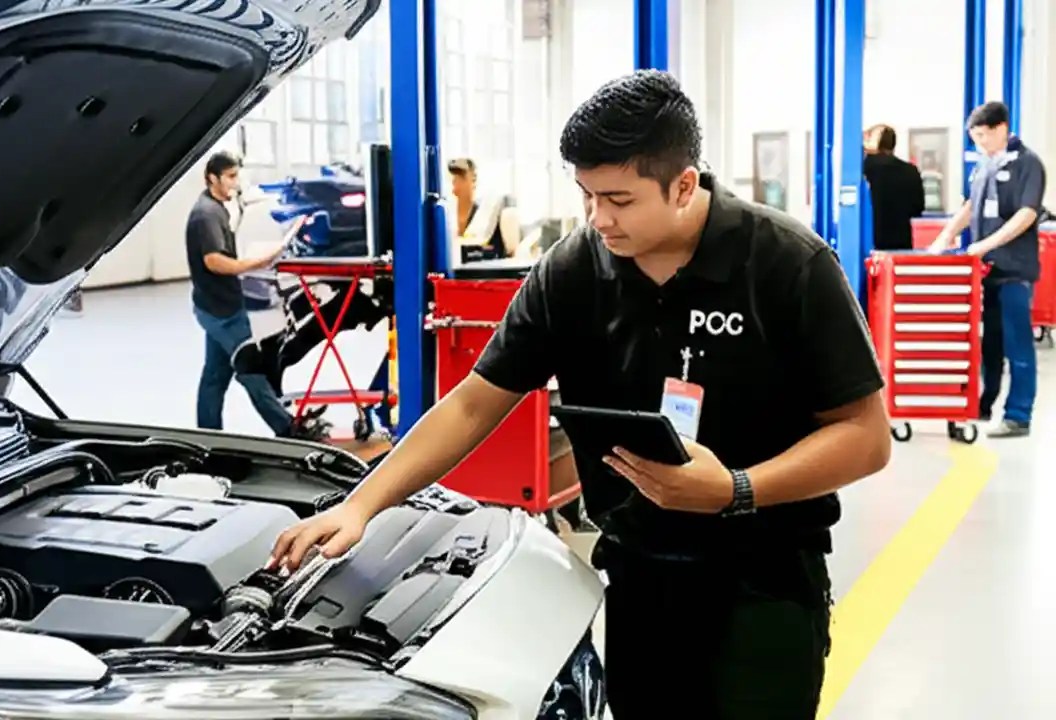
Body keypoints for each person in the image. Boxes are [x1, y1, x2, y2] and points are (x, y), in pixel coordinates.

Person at [269, 70, 893, 718]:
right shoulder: (573, 272)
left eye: (618, 199)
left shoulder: (788, 264)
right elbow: (473, 403)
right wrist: (362, 506)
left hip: (765, 581)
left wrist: (735, 489)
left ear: (684, 185)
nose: (598, 218)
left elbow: (865, 437)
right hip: (640, 576)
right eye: (587, 195)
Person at [188, 150, 326, 440]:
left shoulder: (219, 207)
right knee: (251, 367)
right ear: (212, 178)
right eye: (231, 177)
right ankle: (288, 429)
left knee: (215, 375)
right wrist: (256, 263)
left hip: (218, 304)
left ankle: (207, 436)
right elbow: (214, 261)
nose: (236, 183)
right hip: (220, 311)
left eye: (238, 175)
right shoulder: (206, 215)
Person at [928, 101, 1047, 438]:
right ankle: (983, 405)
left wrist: (986, 244)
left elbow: (1026, 214)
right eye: (975, 137)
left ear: (1001, 128)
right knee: (989, 344)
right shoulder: (984, 165)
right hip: (986, 272)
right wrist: (947, 233)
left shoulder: (1028, 164)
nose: (979, 143)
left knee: (1017, 344)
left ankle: (1018, 415)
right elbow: (971, 205)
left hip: (1014, 270)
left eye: (983, 136)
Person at [863, 124, 926, 250]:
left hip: (869, 241)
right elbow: (918, 208)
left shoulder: (863, 169)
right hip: (901, 241)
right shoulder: (910, 171)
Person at [447, 157, 507, 260]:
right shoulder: (448, 214)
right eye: (455, 179)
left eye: (462, 178)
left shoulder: (484, 215)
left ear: (473, 180)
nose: (457, 183)